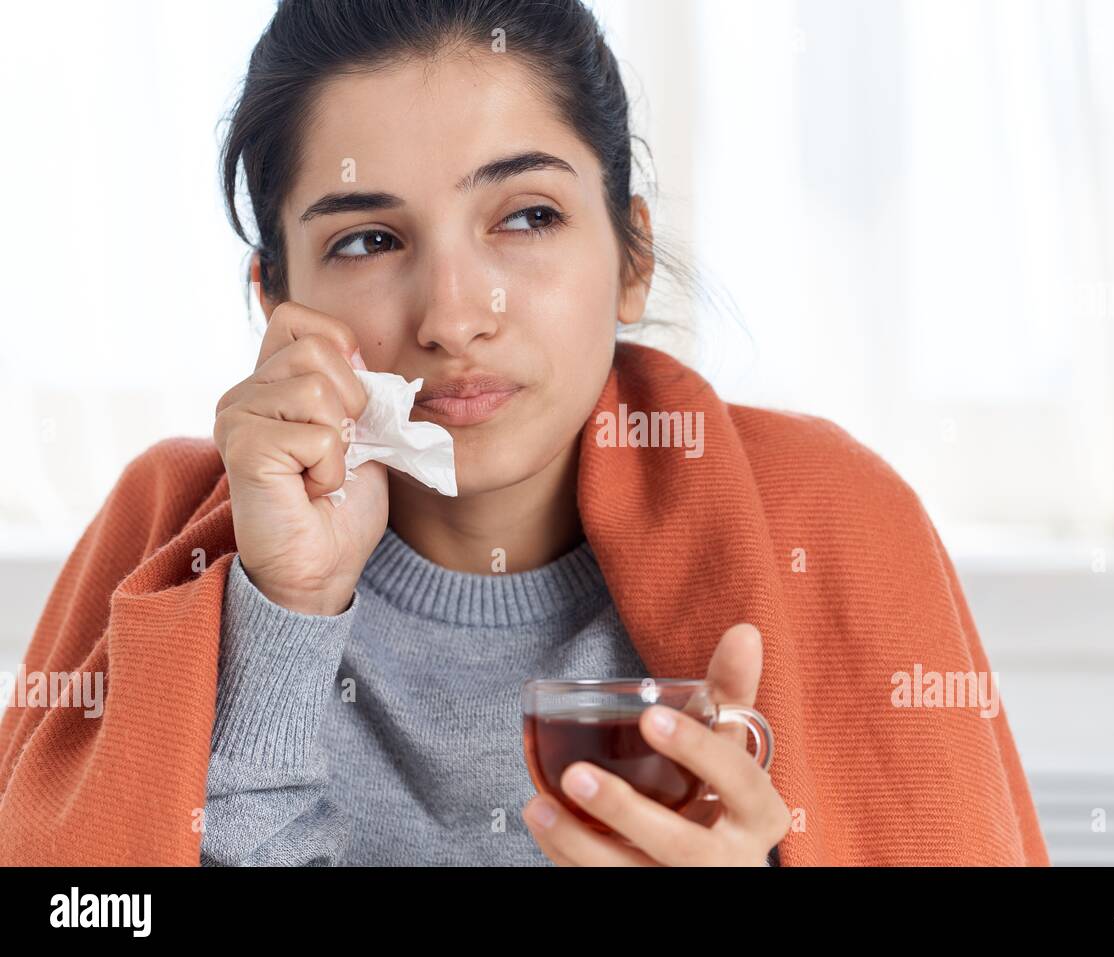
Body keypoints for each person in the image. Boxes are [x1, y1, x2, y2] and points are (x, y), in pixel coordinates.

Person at [0, 0, 1049, 868]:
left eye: (526, 216)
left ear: (632, 254)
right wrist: (286, 613)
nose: (453, 315)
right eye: (368, 239)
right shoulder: (160, 538)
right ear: (277, 304)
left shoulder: (831, 517)